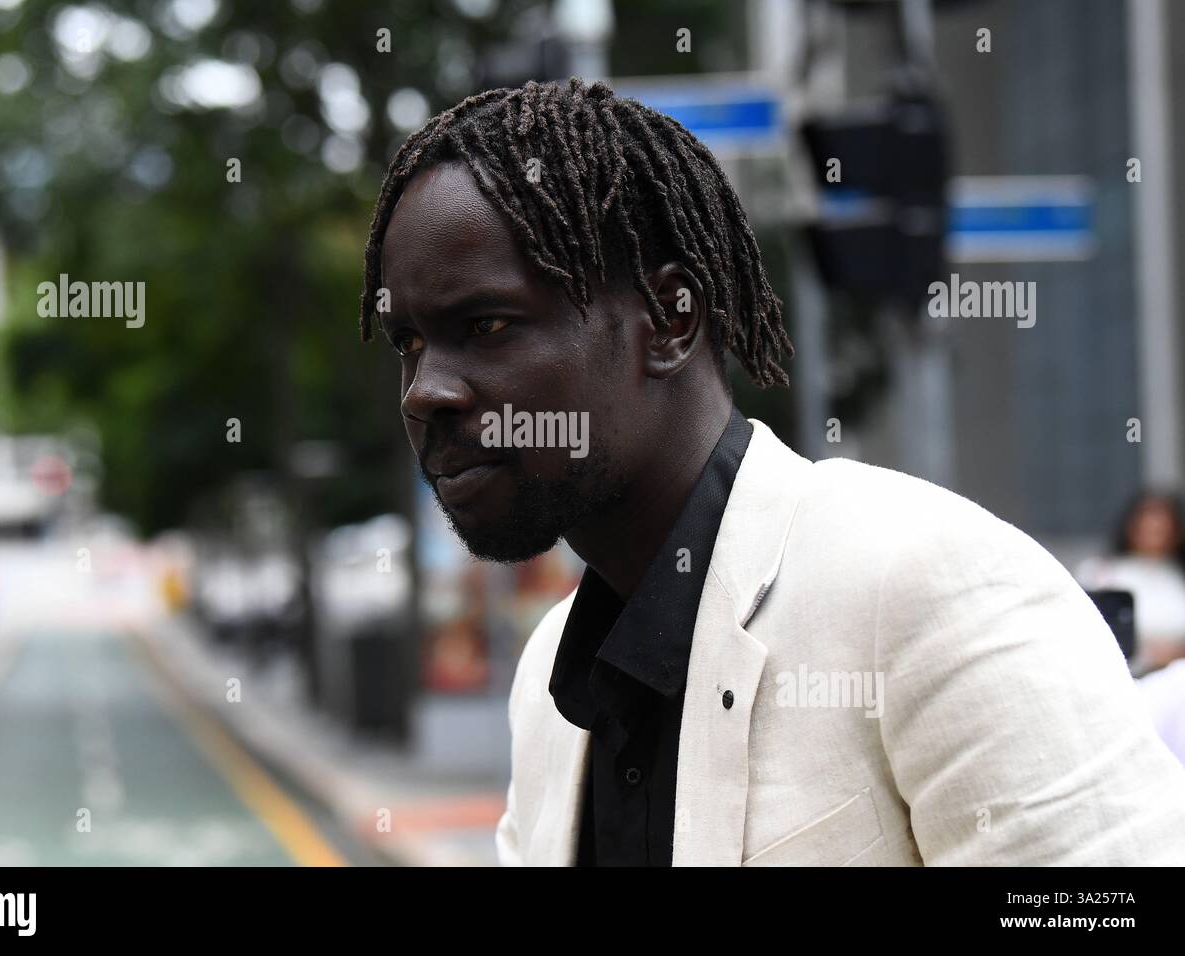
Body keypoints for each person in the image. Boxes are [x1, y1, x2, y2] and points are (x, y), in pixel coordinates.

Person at [359, 78, 1185, 865]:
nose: (427, 392)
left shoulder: (923, 585)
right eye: (412, 345)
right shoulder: (547, 679)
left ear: (669, 321)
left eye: (489, 324)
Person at [1078, 490, 1185, 675]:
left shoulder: (1177, 577)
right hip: (1120, 677)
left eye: (1161, 523)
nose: (1153, 528)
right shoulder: (1101, 572)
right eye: (1146, 520)